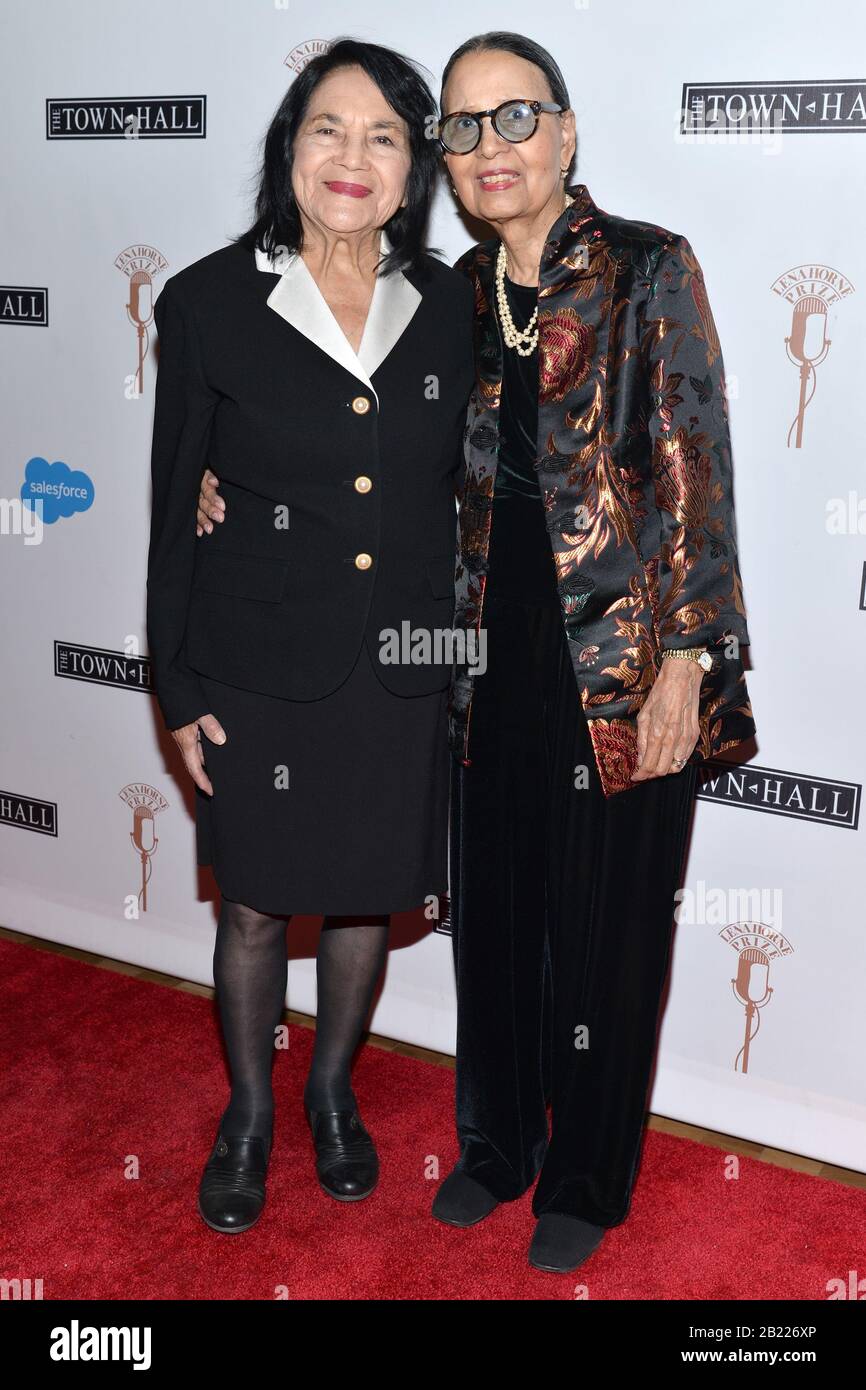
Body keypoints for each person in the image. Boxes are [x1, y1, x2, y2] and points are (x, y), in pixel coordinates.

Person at [197, 31, 756, 1274]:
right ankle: (497, 1144)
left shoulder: (644, 271)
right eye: (461, 126)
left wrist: (688, 660)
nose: (487, 146)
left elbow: (694, 476)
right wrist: (214, 492)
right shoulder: (443, 299)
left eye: (514, 118)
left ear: (563, 133)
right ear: (444, 161)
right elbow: (335, 440)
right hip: (470, 657)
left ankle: (587, 1173)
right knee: (494, 917)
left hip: (615, 661)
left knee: (609, 933)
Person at [147, 39, 474, 1235]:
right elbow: (172, 507)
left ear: (410, 171)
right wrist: (174, 687)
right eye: (328, 129)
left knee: (358, 902)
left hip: (402, 670)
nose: (353, 157)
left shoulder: (453, 306)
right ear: (289, 150)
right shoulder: (205, 300)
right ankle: (248, 1114)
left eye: (384, 135)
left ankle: (333, 1095)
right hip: (253, 663)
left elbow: (479, 492)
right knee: (251, 908)